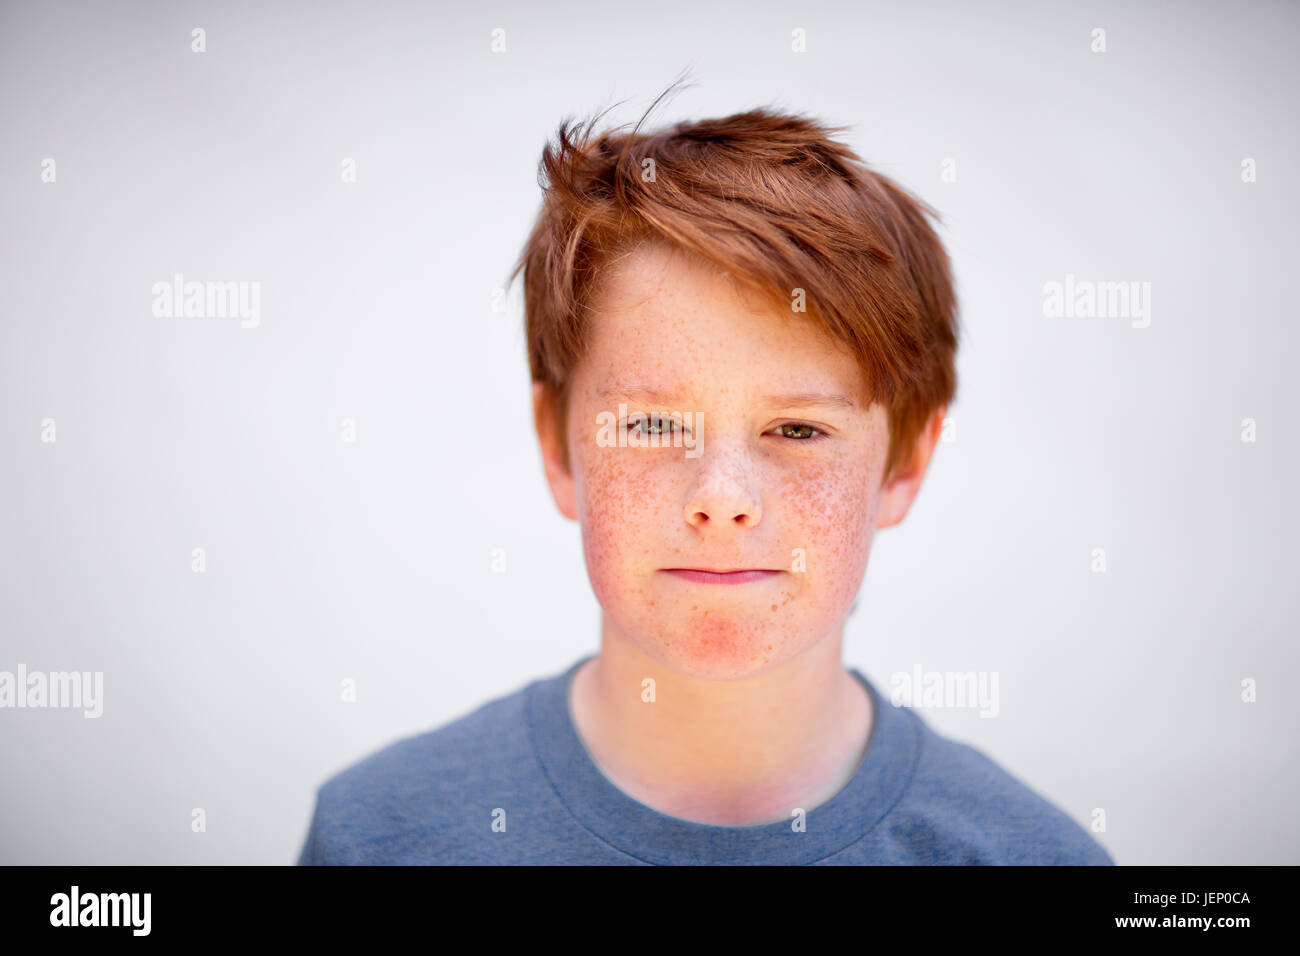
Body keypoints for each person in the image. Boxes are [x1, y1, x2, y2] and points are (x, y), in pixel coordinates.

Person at [296, 90, 1114, 866]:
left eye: (798, 428)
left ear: (904, 461)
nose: (722, 499)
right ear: (557, 445)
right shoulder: (381, 834)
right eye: (653, 425)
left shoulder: (1027, 856)